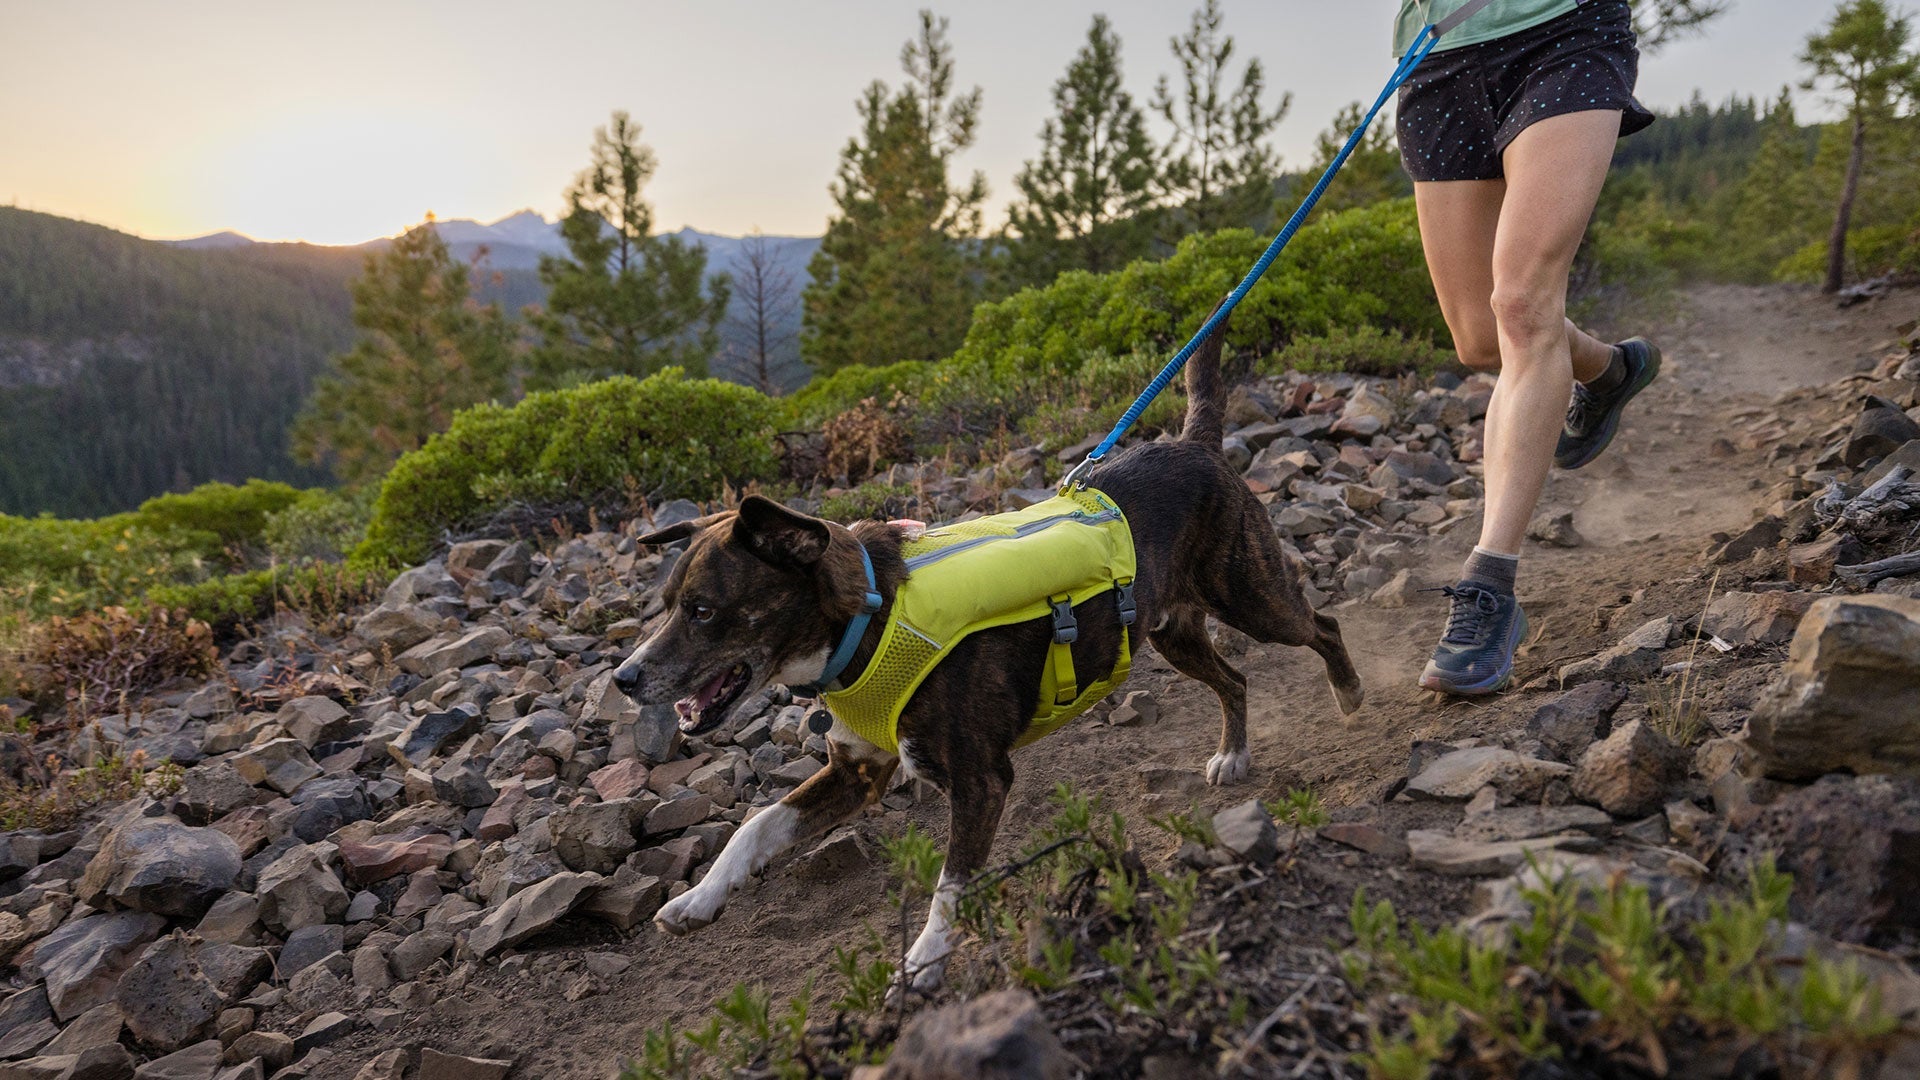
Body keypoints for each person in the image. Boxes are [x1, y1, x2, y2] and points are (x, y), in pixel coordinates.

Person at [1393, 0, 1662, 695]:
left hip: (1563, 32)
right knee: (1482, 340)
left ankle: (1489, 587)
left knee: (1521, 304)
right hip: (1438, 54)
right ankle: (1608, 370)